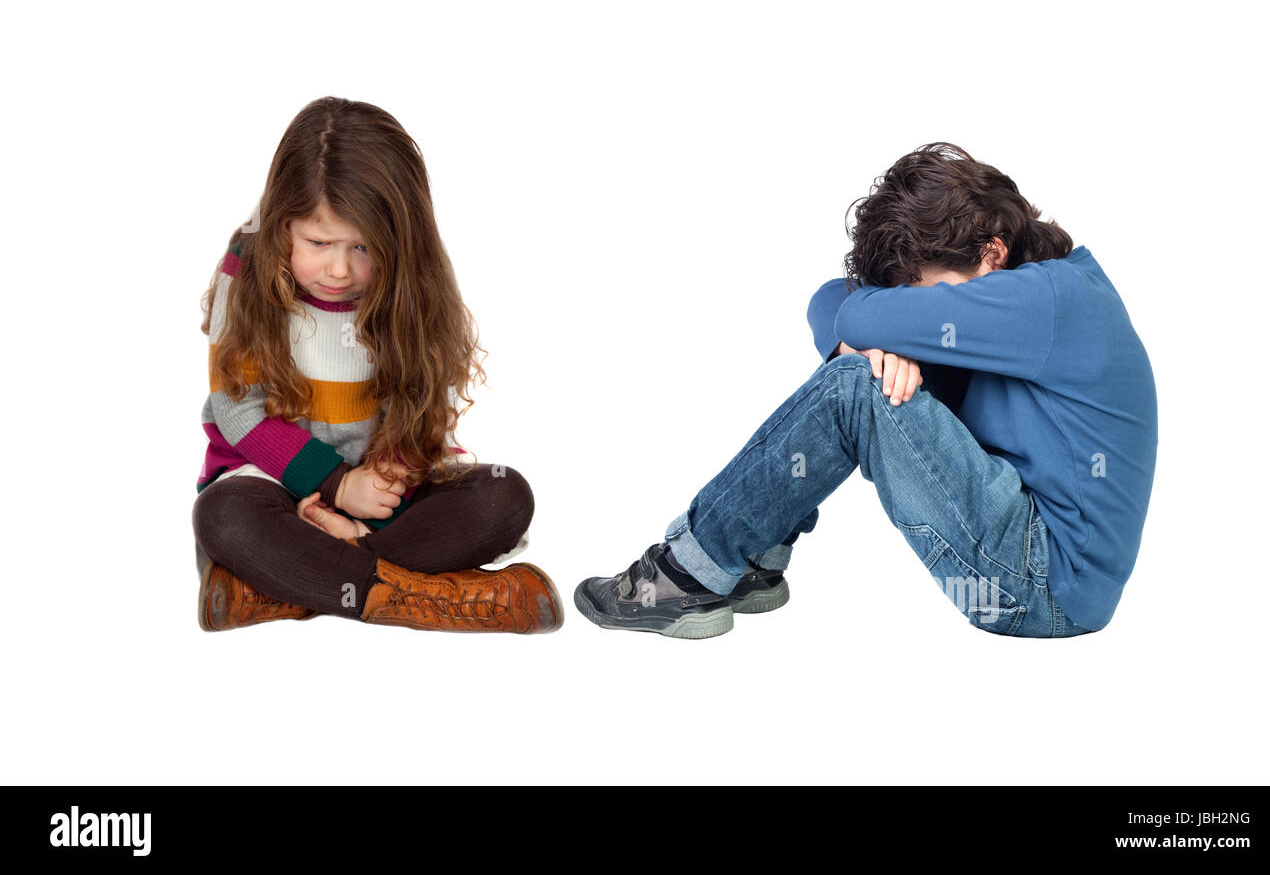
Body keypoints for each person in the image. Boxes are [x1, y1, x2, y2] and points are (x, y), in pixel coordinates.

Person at [575, 143, 1157, 639]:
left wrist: (869, 338)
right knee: (862, 372)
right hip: (1030, 567)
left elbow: (857, 317)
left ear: (993, 255)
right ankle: (748, 557)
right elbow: (834, 296)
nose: (908, 312)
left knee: (858, 385)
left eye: (918, 296)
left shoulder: (1052, 299)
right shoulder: (1017, 293)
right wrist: (883, 342)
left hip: (1041, 586)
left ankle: (682, 576)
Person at [192, 96, 562, 634]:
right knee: (221, 518)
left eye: (363, 247)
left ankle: (289, 586)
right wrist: (337, 486)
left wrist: (382, 480)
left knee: (505, 496)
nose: (339, 269)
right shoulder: (244, 268)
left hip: (380, 493)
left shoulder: (411, 282)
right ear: (282, 226)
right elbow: (238, 410)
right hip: (270, 483)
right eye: (318, 242)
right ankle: (432, 599)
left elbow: (422, 400)